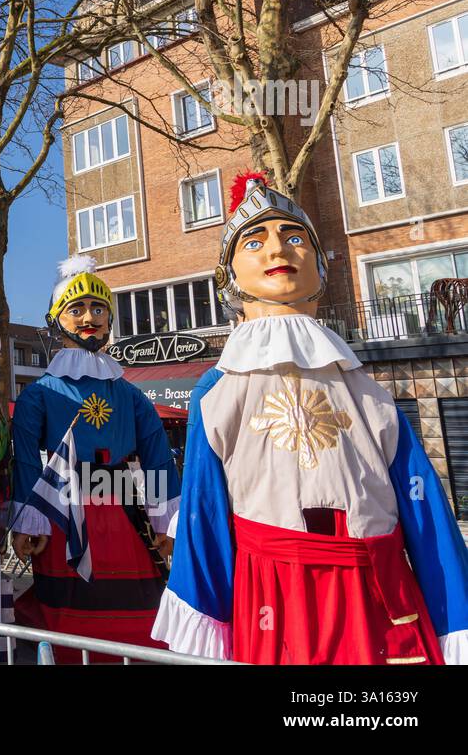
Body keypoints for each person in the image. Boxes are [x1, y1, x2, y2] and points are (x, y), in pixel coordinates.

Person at [154, 172, 468, 664]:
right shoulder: (217, 392)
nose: (277, 248)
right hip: (275, 598)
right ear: (229, 277)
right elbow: (205, 508)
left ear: (321, 268)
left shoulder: (368, 392)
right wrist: (205, 611)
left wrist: (455, 615)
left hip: (378, 595)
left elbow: (423, 505)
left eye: (294, 236)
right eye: (254, 241)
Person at [8, 255, 180, 660]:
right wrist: (27, 521)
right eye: (77, 308)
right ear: (56, 319)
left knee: (137, 603)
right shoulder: (40, 394)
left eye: (99, 308)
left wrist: (164, 519)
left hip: (123, 512)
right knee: (68, 607)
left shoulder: (132, 395)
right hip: (61, 514)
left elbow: (157, 455)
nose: (90, 316)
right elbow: (27, 461)